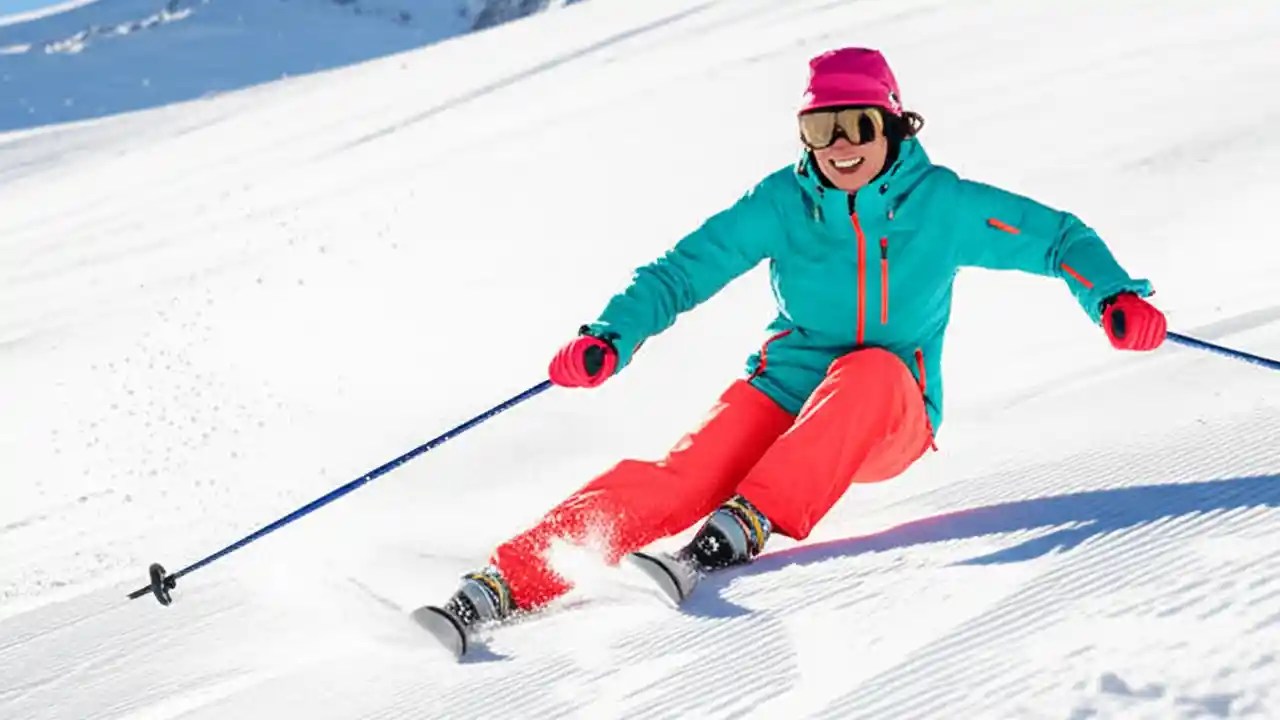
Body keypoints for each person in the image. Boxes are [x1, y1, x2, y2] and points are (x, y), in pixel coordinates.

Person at [435, 47, 1168, 629]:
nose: (841, 146)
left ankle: (748, 522)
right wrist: (611, 335)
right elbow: (683, 272)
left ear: (894, 126)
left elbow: (1057, 239)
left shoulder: (942, 204)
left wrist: (1112, 295)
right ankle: (507, 580)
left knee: (873, 370)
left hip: (890, 414)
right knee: (683, 476)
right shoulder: (782, 203)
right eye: (822, 129)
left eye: (858, 126)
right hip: (784, 389)